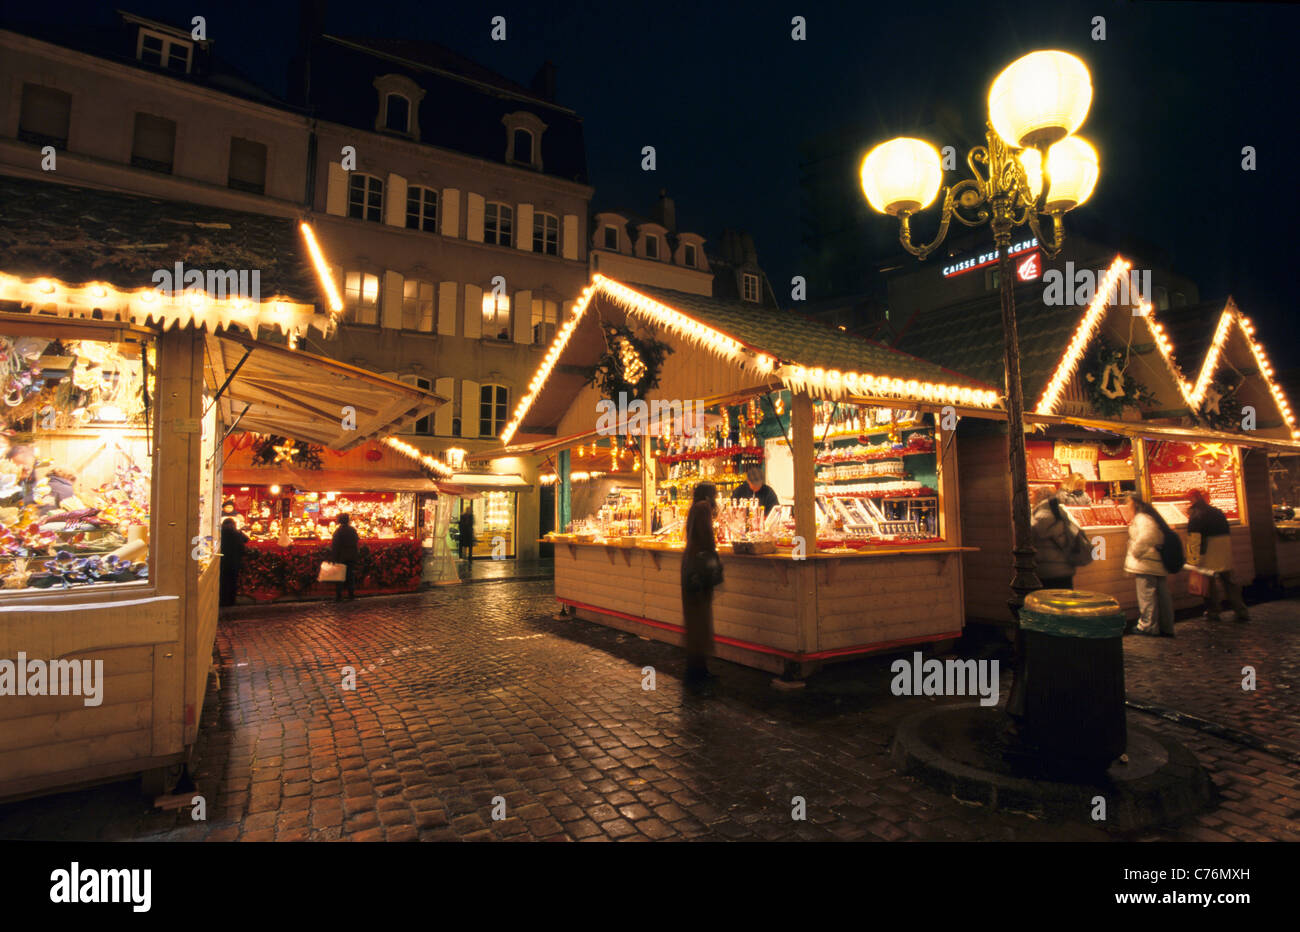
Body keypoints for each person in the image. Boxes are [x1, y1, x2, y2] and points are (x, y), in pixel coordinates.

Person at [1186, 489, 1249, 622]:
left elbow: (1194, 539)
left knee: (1209, 585)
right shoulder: (1217, 512)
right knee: (1229, 582)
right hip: (1223, 551)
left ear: (1193, 499)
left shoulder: (1196, 514)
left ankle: (1213, 610)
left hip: (1208, 553)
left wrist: (1192, 559)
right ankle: (1241, 609)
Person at [681, 482, 721, 691]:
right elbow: (707, 536)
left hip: (690, 565)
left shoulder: (695, 507)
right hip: (699, 568)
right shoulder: (704, 508)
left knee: (694, 617)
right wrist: (714, 553)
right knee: (700, 617)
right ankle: (698, 670)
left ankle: (696, 666)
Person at [1121, 492, 1175, 637]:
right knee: (1162, 596)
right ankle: (1166, 626)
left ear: (1134, 504)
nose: (1126, 506)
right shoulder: (1150, 516)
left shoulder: (1142, 518)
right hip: (1156, 562)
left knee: (1147, 596)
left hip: (1146, 563)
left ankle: (1147, 626)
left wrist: (1135, 551)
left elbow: (1147, 536)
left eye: (1128, 503)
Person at [1030, 486, 1092, 589]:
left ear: (1038, 498)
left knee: (1048, 602)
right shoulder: (1063, 514)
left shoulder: (1036, 518)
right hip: (1065, 570)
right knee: (1066, 602)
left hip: (1045, 572)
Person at [219, 517, 248, 607]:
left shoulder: (220, 532)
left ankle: (223, 600)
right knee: (232, 581)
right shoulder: (237, 532)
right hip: (235, 560)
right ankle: (231, 601)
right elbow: (246, 539)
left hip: (223, 560)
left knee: (223, 581)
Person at [330, 513, 360, 601]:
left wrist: (334, 558)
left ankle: (339, 595)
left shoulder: (338, 531)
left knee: (340, 577)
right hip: (351, 556)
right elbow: (356, 541)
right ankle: (351, 594)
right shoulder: (352, 530)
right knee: (350, 576)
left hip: (341, 557)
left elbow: (335, 546)